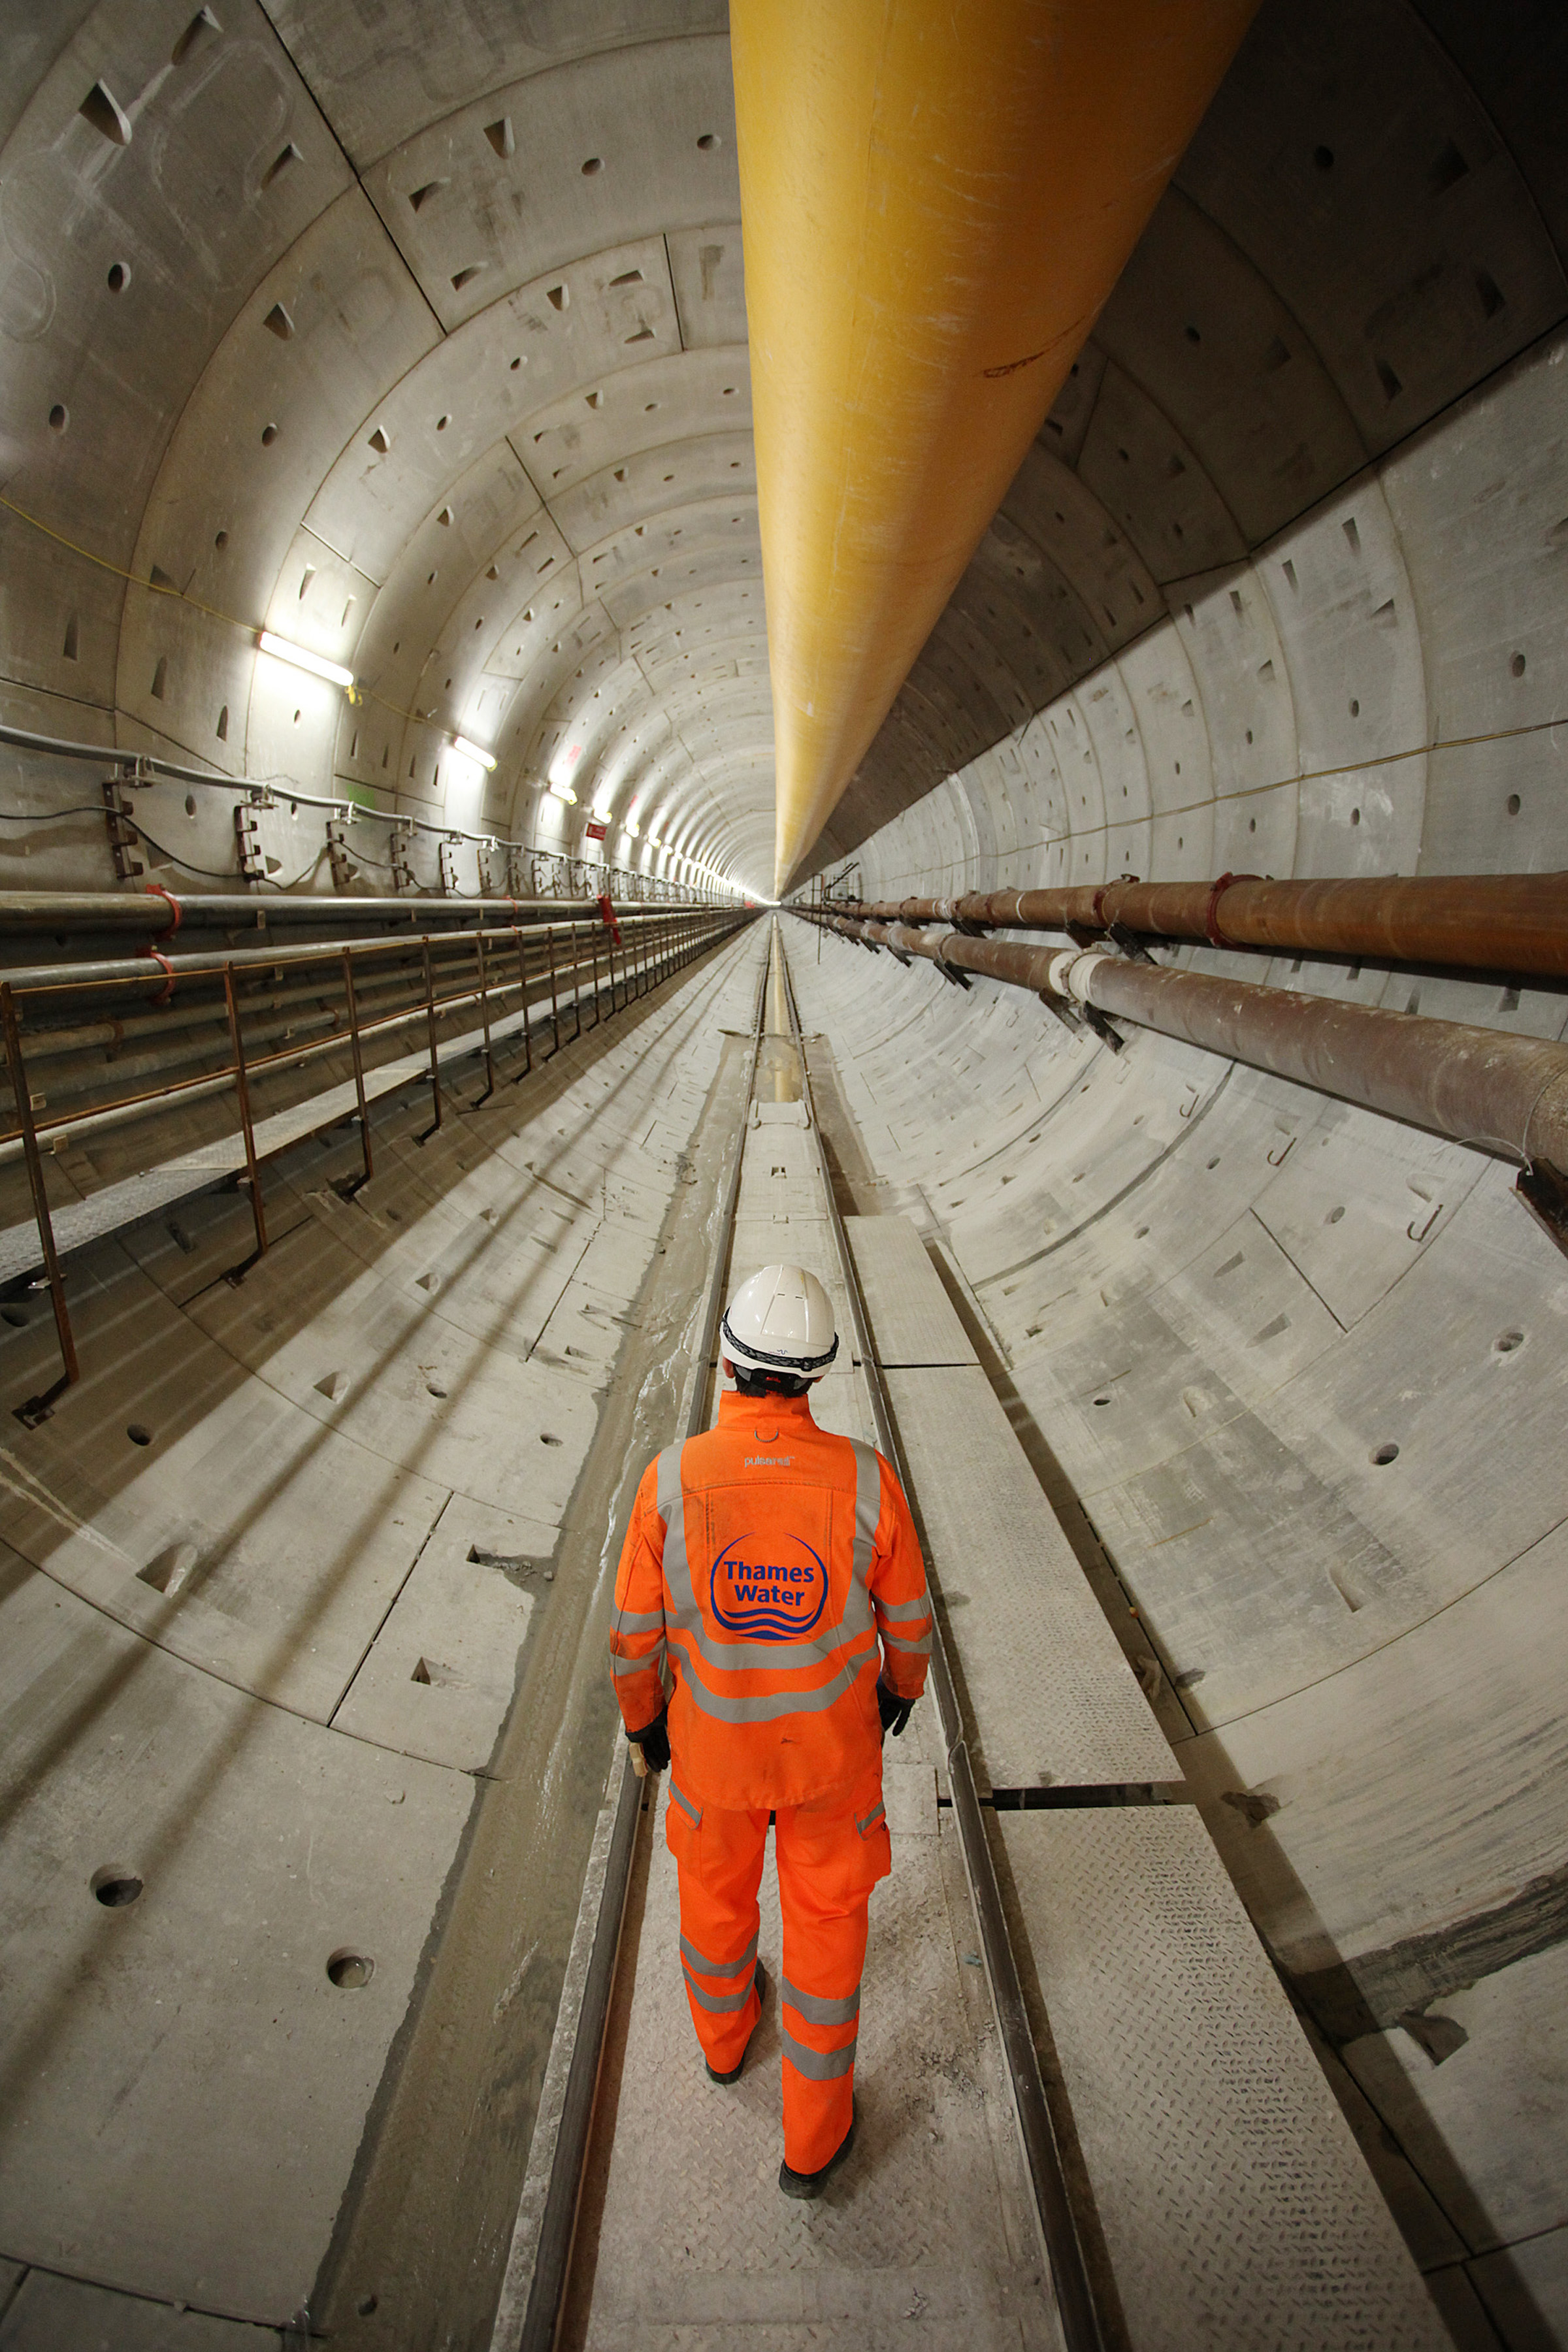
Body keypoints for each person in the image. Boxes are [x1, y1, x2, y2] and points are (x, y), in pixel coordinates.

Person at [610, 1262, 932, 2197]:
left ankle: (723, 2042)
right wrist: (895, 1693)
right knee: (827, 1938)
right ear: (816, 1375)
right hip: (831, 1764)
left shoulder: (671, 1481)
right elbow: (909, 1621)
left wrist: (649, 1729)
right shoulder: (868, 1483)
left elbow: (633, 1640)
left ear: (727, 1362)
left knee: (715, 1909)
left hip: (713, 1757)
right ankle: (813, 2141)